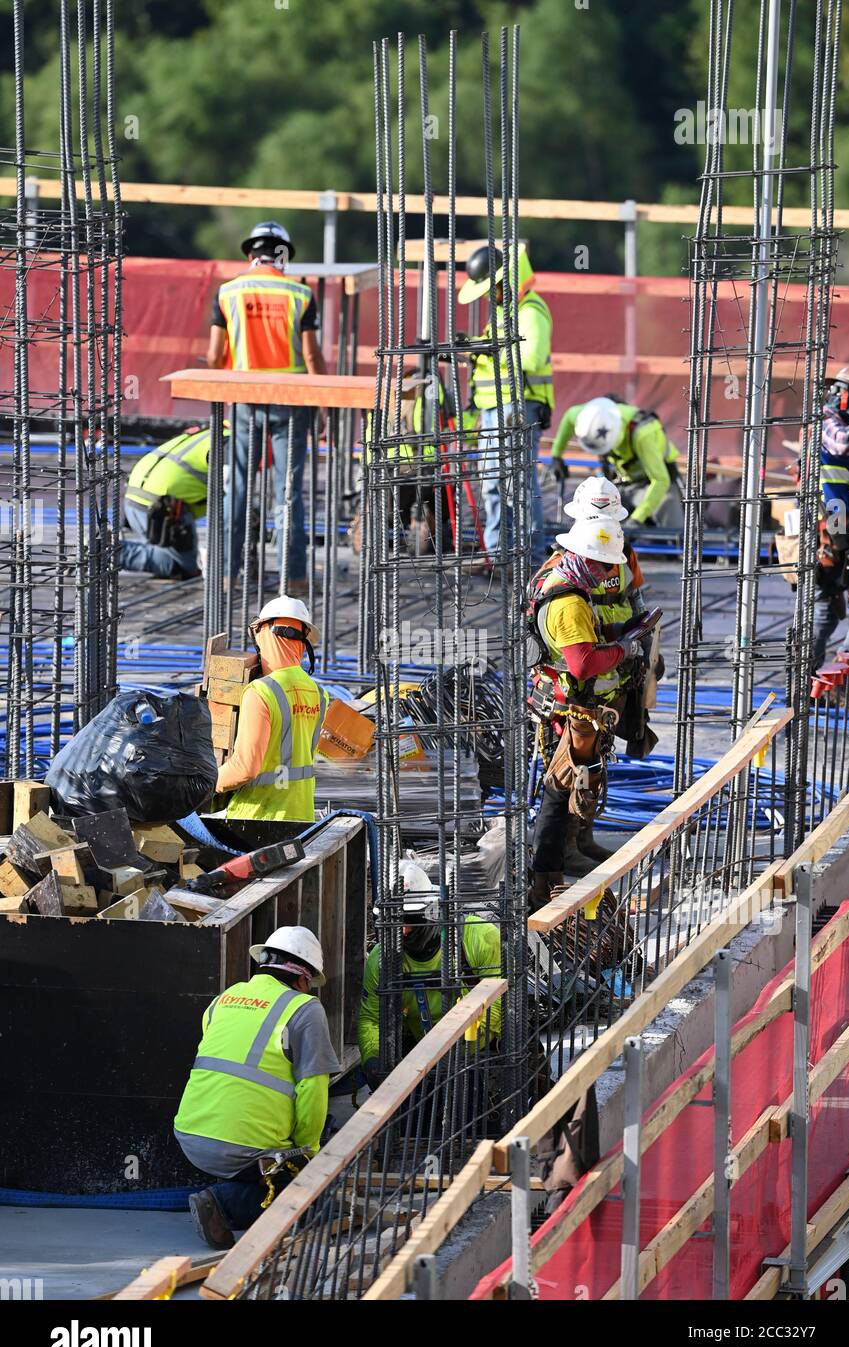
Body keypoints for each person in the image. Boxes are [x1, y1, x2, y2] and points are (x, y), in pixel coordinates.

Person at [175, 925, 339, 1248]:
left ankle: (229, 1186)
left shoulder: (224, 1000)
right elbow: (313, 1092)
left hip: (190, 1135)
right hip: (239, 1148)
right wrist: (306, 1154)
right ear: (304, 978)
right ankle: (225, 1202)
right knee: (316, 1204)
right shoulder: (305, 1010)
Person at [526, 514, 654, 907]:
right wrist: (622, 650)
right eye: (601, 565)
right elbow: (581, 663)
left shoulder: (576, 587)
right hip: (570, 709)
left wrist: (621, 634)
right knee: (559, 788)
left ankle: (549, 874)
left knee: (568, 787)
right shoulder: (568, 601)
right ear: (584, 557)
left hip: (580, 708)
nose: (606, 573)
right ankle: (543, 880)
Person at [208, 221, 328, 593]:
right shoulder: (300, 292)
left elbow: (213, 355)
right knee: (288, 491)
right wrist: (322, 403)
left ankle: (227, 575)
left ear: (250, 255)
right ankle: (294, 578)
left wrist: (223, 388)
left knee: (239, 487)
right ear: (284, 257)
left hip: (246, 401)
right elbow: (310, 353)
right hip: (292, 403)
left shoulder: (228, 292)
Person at [358, 859, 502, 1090]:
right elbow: (372, 1019)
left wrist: (454, 1052)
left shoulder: (478, 938)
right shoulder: (382, 960)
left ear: (431, 913)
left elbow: (496, 1006)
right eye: (393, 922)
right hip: (421, 1057)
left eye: (410, 921)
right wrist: (373, 1059)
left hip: (478, 1053)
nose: (402, 931)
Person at [460, 245, 552, 570]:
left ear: (509, 281)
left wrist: (486, 350)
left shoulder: (530, 312)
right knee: (492, 483)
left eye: (494, 288)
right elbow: (496, 355)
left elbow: (530, 358)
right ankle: (499, 557)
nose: (491, 296)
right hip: (492, 410)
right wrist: (469, 347)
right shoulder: (503, 314)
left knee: (519, 484)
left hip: (518, 409)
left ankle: (532, 561)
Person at [216, 595, 328, 822]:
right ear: (303, 640)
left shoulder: (261, 692)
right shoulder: (319, 693)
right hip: (302, 816)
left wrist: (204, 784)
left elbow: (244, 768)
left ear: (265, 632)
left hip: (258, 817)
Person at [551, 397, 682, 529]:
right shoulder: (589, 416)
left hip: (656, 483)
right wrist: (556, 456)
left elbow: (661, 480)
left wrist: (636, 519)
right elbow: (569, 416)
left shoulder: (643, 434)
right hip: (625, 481)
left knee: (673, 528)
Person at [119, 424, 227, 579]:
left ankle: (111, 549)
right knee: (181, 568)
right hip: (163, 511)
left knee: (160, 554)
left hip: (135, 500)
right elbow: (234, 495)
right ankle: (106, 552)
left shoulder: (205, 432)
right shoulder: (228, 443)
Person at [811, 364, 849, 667]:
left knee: (835, 607)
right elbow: (842, 440)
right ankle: (807, 685)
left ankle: (830, 678)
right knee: (824, 609)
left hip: (843, 522)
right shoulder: (825, 420)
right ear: (845, 396)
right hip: (825, 530)